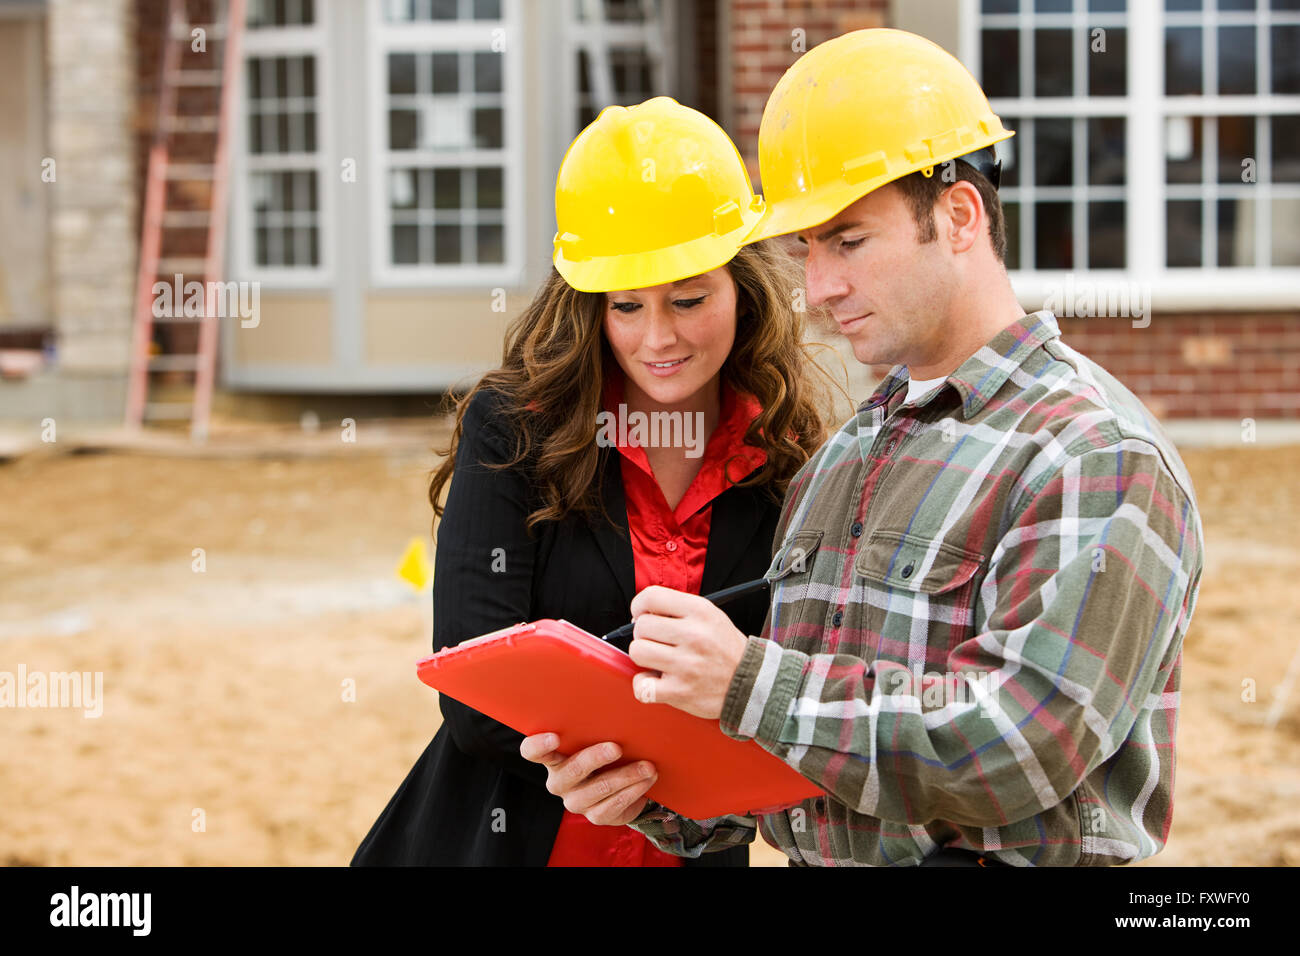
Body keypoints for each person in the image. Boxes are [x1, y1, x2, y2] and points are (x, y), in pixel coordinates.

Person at [521, 29, 1206, 867]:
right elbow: (806, 767)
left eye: (848, 241)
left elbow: (1023, 744)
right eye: (805, 248)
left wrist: (747, 685)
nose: (818, 287)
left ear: (959, 216)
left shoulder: (1089, 455)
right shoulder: (839, 462)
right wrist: (652, 791)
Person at [350, 96, 835, 866]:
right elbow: (475, 690)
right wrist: (663, 746)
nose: (659, 337)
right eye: (626, 306)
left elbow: (788, 679)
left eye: (689, 298)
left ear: (743, 285)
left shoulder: (787, 455)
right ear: (589, 306)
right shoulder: (513, 428)